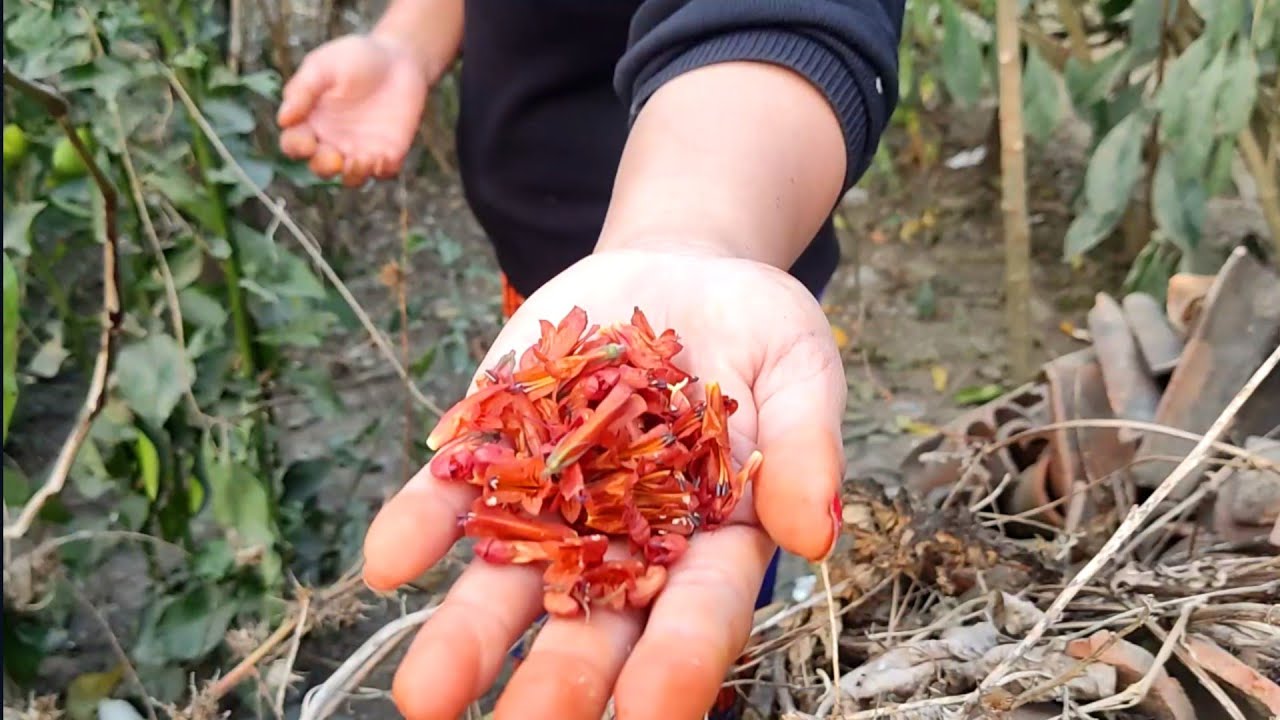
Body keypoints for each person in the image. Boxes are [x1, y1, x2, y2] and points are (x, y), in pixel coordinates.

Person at [277, 2, 904, 718]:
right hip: (544, 295)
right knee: (547, 617)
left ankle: (718, 695)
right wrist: (408, 42)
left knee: (704, 595)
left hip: (740, 267)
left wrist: (693, 233)